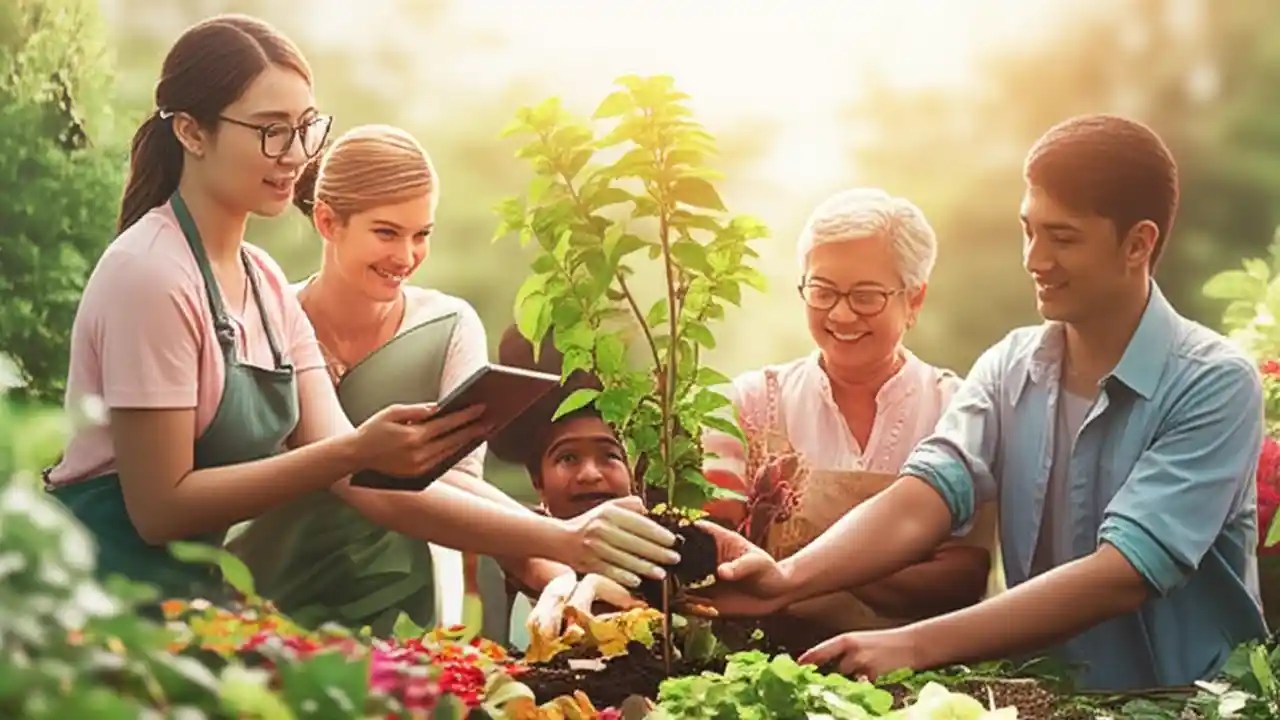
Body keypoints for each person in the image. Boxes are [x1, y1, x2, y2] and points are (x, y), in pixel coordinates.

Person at [43, 14, 678, 607]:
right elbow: (162, 508)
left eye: (306, 127)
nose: (296, 154)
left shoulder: (261, 284)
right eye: (270, 130)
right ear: (190, 131)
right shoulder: (151, 275)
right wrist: (354, 454)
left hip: (185, 605)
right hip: (97, 608)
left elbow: (368, 482)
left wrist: (564, 541)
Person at [696, 115, 1268, 692]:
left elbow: (1123, 573)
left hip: (1185, 701)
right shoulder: (1009, 367)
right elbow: (928, 494)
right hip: (1046, 697)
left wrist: (911, 645)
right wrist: (785, 579)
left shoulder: (1214, 383)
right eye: (1029, 230)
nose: (1034, 259)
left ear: (1138, 243)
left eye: (1062, 238)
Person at [223, 124, 569, 635]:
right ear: (327, 221)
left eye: (421, 234)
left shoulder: (449, 328)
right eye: (386, 232)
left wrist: (556, 566)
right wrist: (561, 543)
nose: (406, 257)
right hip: (252, 604)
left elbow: (456, 486)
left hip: (395, 619)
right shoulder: (266, 317)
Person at [700, 188, 998, 639]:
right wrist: (892, 558)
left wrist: (801, 564)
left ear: (914, 300)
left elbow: (963, 576)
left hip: (921, 672)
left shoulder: (957, 410)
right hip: (769, 668)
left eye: (865, 296)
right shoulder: (750, 405)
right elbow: (713, 550)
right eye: (822, 291)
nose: (840, 314)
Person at [487, 325, 643, 646]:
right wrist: (564, 581)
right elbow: (523, 555)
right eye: (568, 458)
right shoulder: (519, 537)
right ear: (537, 481)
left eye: (609, 456)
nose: (590, 474)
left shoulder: (658, 546)